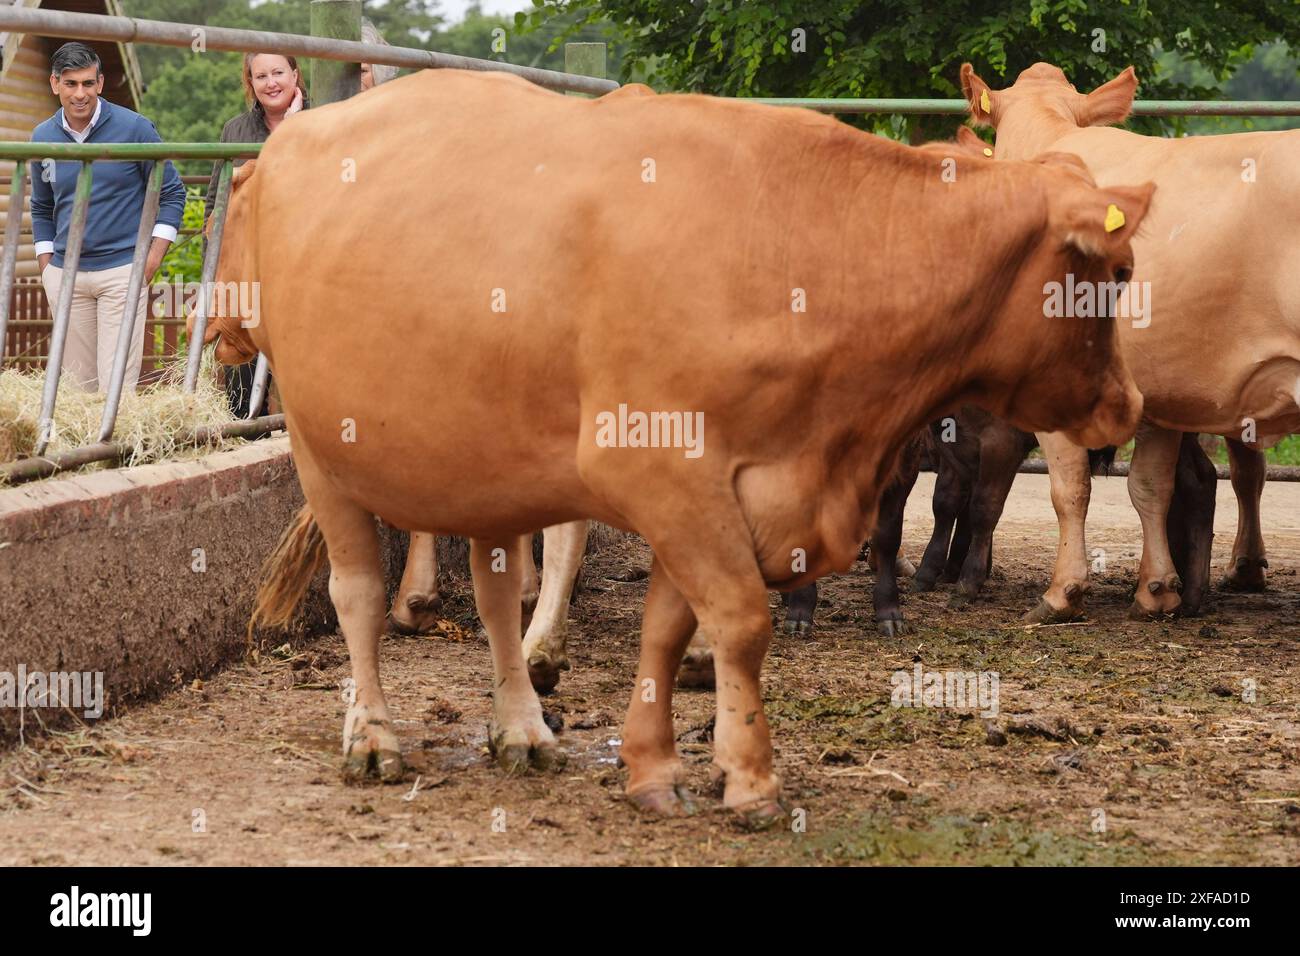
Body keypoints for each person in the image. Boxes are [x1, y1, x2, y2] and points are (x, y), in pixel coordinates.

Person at [29, 42, 186, 392]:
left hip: (122, 271)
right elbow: (41, 207)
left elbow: (172, 193)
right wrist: (47, 267)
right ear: (55, 84)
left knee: (115, 387)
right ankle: (82, 448)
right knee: (78, 387)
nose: (80, 93)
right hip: (66, 274)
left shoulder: (136, 129)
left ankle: (111, 448)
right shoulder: (42, 137)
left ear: (100, 83)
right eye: (70, 84)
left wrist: (150, 260)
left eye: (87, 83)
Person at [204, 52, 308, 418]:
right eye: (260, 76)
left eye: (278, 72)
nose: (271, 83)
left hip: (305, 267)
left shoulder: (322, 120)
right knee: (240, 370)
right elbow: (215, 202)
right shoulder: (235, 130)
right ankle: (245, 436)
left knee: (304, 371)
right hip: (246, 268)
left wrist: (294, 125)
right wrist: (214, 270)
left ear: (295, 74)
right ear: (251, 83)